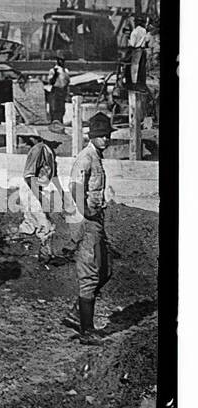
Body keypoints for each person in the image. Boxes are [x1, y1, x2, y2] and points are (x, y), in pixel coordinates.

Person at [62, 110, 114, 341]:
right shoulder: (85, 157)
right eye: (101, 135)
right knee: (90, 273)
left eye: (107, 135)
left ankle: (76, 314)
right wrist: (87, 213)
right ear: (91, 136)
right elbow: (75, 187)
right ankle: (87, 330)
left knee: (106, 270)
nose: (105, 139)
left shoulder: (96, 156)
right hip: (86, 221)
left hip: (95, 220)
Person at [20, 129, 64, 265]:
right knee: (44, 223)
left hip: (38, 188)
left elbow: (54, 175)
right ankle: (45, 256)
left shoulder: (50, 152)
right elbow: (28, 176)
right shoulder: (38, 150)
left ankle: (29, 249)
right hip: (31, 189)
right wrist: (38, 196)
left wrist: (61, 192)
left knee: (34, 222)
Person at [42, 53, 71, 124]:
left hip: (63, 90)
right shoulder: (53, 70)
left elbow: (67, 82)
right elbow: (51, 82)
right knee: (54, 107)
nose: (62, 62)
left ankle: (60, 122)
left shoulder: (66, 71)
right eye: (60, 60)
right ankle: (53, 122)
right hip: (56, 90)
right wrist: (55, 75)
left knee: (61, 108)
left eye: (63, 60)